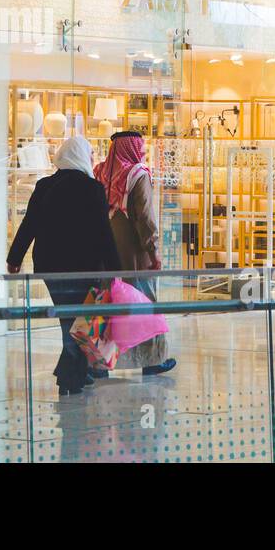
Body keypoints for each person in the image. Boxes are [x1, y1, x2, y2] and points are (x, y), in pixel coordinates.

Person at [7, 135, 119, 395]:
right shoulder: (92, 189)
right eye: (90, 155)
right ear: (80, 156)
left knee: (68, 319)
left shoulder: (45, 185)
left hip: (50, 266)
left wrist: (14, 257)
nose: (93, 159)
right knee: (78, 320)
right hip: (84, 268)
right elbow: (104, 233)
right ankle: (71, 377)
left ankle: (73, 373)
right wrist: (116, 269)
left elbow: (29, 224)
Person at [93, 130, 176, 376]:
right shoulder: (138, 174)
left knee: (107, 304)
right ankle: (152, 360)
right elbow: (145, 218)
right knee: (144, 304)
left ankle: (100, 363)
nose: (141, 150)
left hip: (106, 254)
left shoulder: (99, 173)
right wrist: (154, 251)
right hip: (135, 255)